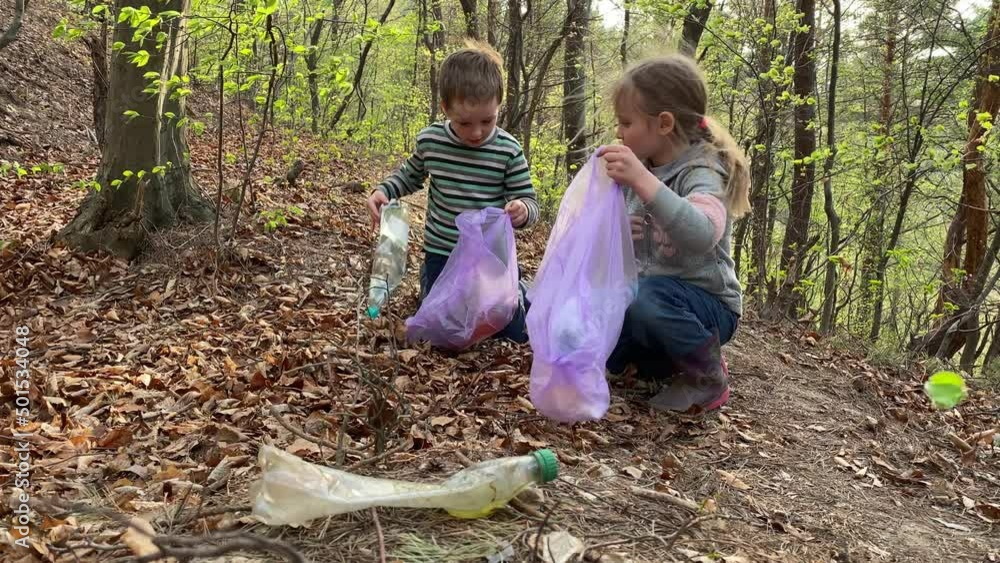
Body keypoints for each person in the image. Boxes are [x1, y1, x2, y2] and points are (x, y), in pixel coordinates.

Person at [599, 54, 751, 412]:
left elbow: (700, 233)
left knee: (647, 298)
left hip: (705, 305)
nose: (619, 133)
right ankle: (666, 362)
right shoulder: (645, 163)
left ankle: (707, 375)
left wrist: (641, 179)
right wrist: (623, 229)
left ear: (663, 123)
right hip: (648, 300)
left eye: (626, 122)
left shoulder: (702, 170)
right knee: (607, 349)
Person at [366, 41, 538, 343]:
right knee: (440, 331)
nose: (476, 133)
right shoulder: (432, 141)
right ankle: (430, 286)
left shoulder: (508, 151)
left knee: (508, 333)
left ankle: (520, 291)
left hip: (489, 260)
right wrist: (384, 190)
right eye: (464, 122)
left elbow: (530, 202)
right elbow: (410, 176)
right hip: (442, 254)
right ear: (445, 108)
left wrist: (522, 209)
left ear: (500, 105)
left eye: (488, 121)